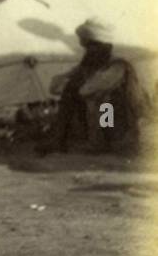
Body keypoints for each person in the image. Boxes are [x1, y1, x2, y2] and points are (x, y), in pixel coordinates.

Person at [48, 18, 152, 155]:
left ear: (105, 46)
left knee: (104, 103)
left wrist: (73, 85)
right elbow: (55, 86)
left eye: (93, 46)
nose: (89, 50)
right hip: (99, 116)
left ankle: (104, 143)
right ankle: (61, 140)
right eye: (88, 47)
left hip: (116, 116)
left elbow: (91, 88)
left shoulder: (117, 65)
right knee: (72, 91)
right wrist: (70, 84)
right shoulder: (88, 65)